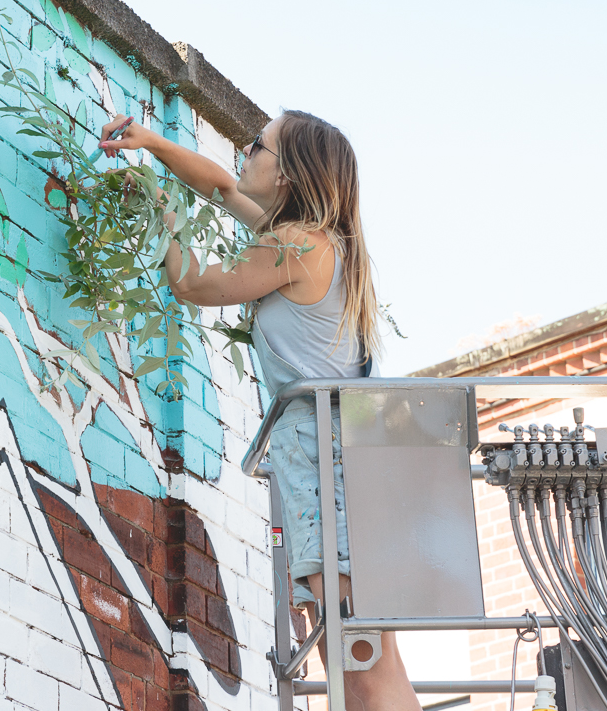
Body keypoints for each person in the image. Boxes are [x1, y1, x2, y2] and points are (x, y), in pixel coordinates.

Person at [100, 110, 420, 711]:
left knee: (358, 654)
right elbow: (221, 186)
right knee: (363, 651)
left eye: (259, 145)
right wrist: (153, 146)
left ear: (291, 173)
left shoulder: (296, 244)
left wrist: (163, 222)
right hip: (346, 454)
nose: (247, 152)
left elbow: (195, 284)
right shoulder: (321, 244)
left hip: (327, 463)